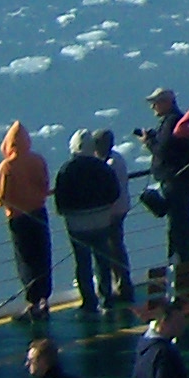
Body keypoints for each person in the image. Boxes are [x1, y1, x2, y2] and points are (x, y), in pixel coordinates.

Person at [53, 131, 131, 315]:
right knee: (103, 261)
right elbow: (114, 192)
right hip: (101, 221)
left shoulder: (67, 169)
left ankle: (88, 301)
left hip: (77, 225)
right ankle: (106, 298)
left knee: (83, 263)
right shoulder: (102, 167)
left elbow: (61, 198)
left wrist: (67, 213)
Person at [144, 92, 189, 288]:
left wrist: (149, 142)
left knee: (179, 229)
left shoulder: (171, 122)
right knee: (181, 226)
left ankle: (183, 272)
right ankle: (186, 269)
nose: (153, 107)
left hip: (176, 183)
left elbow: (163, 150)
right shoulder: (171, 121)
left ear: (167, 103)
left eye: (156, 103)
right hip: (179, 182)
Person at [0, 122, 54, 317]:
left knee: (26, 260)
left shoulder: (7, 166)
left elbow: (2, 195)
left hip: (19, 218)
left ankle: (32, 301)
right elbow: (45, 184)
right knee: (43, 256)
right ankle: (45, 299)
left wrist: (2, 203)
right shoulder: (37, 160)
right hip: (39, 213)